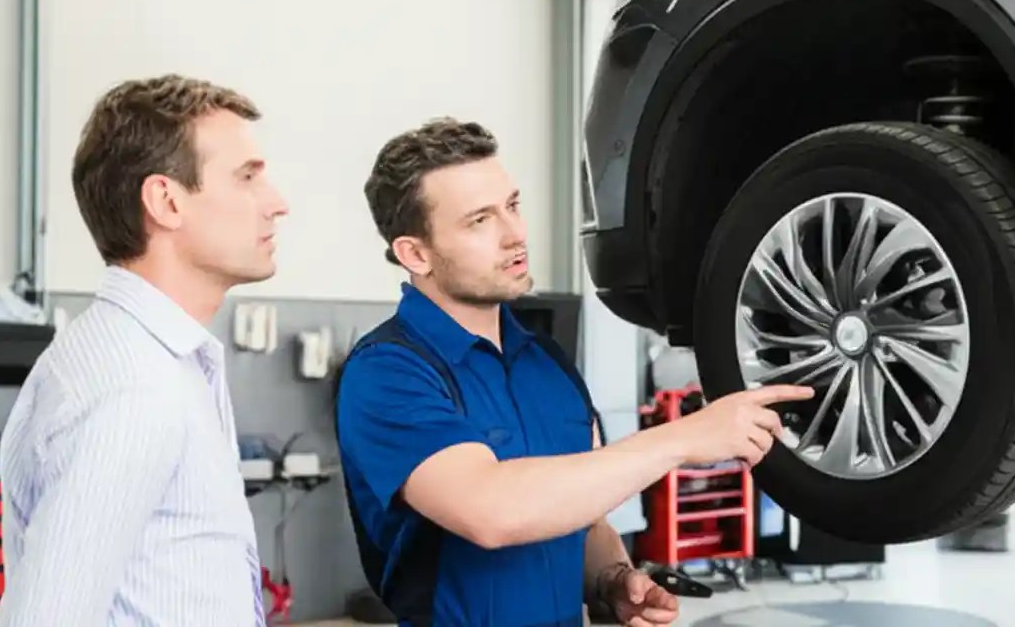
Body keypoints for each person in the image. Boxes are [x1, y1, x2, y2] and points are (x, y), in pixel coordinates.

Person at [335, 117, 814, 627]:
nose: (515, 234)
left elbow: (584, 520)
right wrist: (684, 438)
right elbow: (491, 510)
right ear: (416, 253)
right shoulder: (386, 373)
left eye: (512, 206)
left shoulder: (547, 363)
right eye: (479, 220)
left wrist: (610, 580)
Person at [0, 74, 289, 626]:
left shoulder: (158, 361)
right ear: (165, 201)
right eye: (247, 178)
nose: (277, 203)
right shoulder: (133, 387)